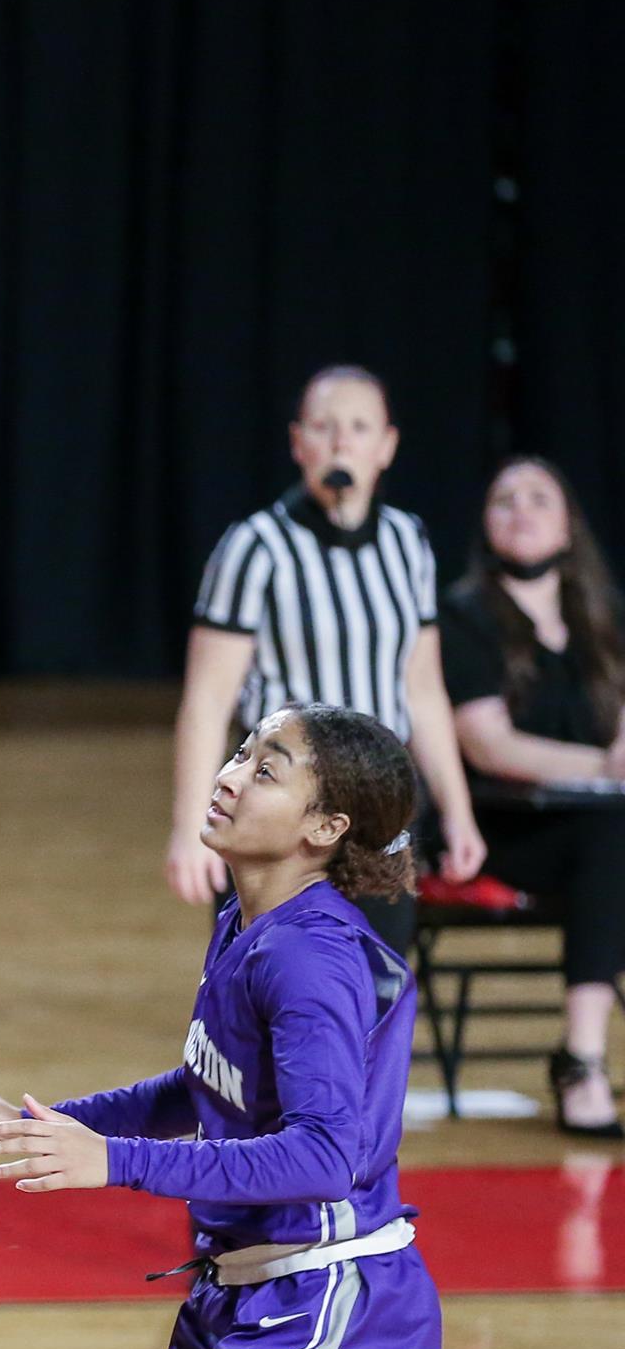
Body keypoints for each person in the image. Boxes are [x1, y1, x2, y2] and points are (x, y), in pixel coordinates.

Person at [0, 703, 440, 1349]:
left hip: (339, 1309)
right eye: (240, 754)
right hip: (238, 1295)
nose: (228, 778)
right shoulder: (248, 921)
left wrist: (115, 1161)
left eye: (265, 771)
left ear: (326, 827)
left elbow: (326, 1157)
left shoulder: (306, 958)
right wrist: (42, 1127)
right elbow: (203, 1085)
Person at [166, 364, 485, 951]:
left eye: (359, 427)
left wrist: (458, 811)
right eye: (325, 426)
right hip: (281, 801)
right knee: (271, 980)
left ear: (386, 447)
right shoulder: (255, 547)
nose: (342, 442)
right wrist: (190, 827)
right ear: (298, 443)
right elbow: (208, 699)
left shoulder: (405, 542)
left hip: (380, 804)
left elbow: (423, 689)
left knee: (376, 984)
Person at [439, 456, 625, 1137]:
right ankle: (581, 1060)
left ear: (568, 523)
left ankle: (583, 1054)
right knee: (616, 840)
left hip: (598, 829)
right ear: (486, 525)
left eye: (538, 497)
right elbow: (490, 745)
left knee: (615, 840)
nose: (521, 509)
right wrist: (607, 765)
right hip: (499, 829)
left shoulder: (603, 620)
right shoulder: (463, 616)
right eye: (504, 499)